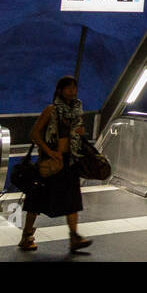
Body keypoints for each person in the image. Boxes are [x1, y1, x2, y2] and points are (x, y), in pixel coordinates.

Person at [19, 76, 91, 253]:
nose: (72, 91)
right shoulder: (51, 110)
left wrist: (80, 133)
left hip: (69, 161)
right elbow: (34, 133)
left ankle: (74, 237)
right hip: (51, 162)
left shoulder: (76, 113)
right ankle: (27, 236)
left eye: (74, 88)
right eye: (68, 88)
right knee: (37, 199)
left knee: (73, 200)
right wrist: (49, 151)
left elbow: (77, 134)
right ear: (60, 90)